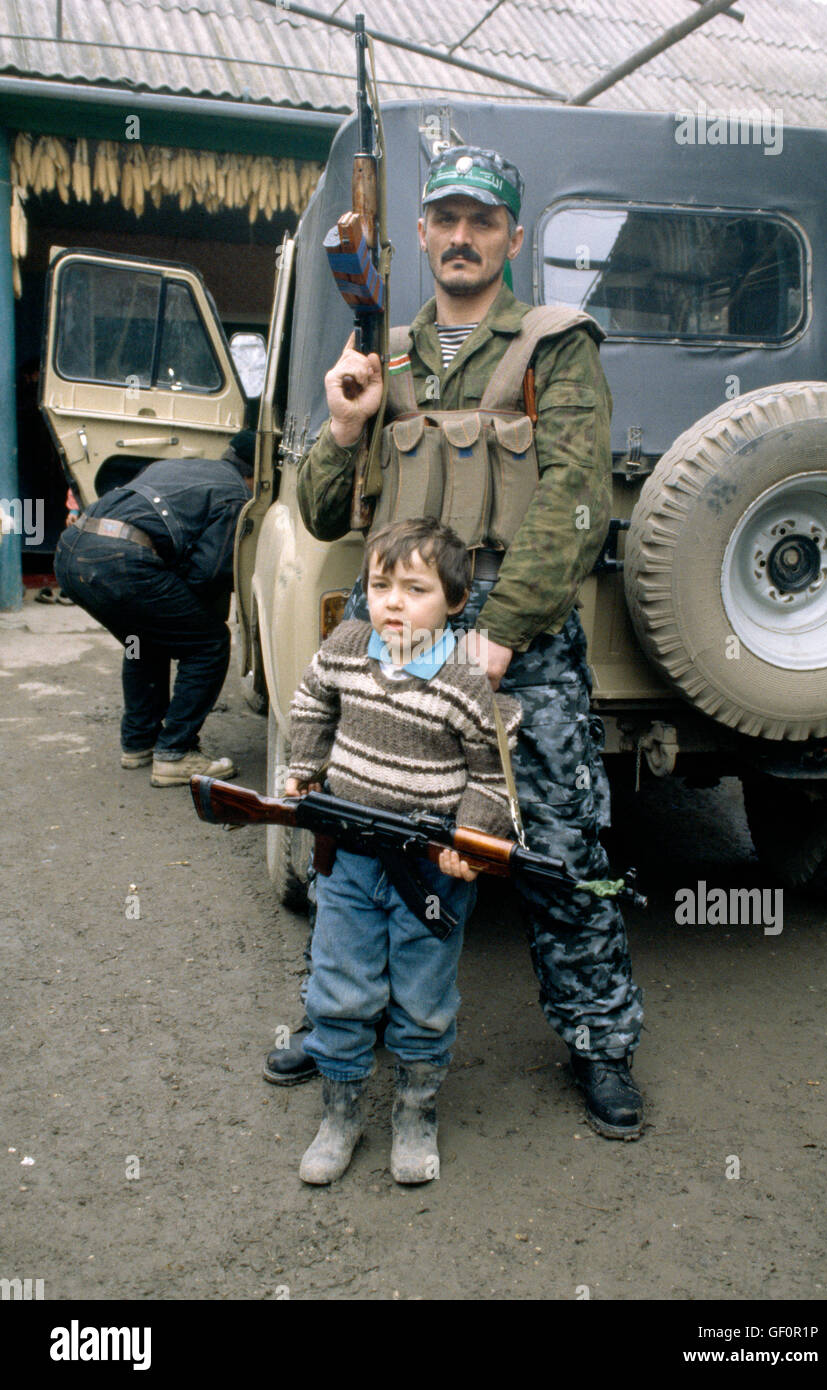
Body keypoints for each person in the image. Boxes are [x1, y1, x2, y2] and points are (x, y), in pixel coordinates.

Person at [265, 145, 646, 1140]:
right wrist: (346, 426)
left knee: (562, 846)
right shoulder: (381, 355)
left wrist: (500, 639)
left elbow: (574, 507)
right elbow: (314, 509)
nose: (464, 237)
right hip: (394, 631)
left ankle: (600, 1042)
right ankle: (337, 1021)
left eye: (484, 221)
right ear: (422, 234)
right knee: (356, 830)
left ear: (513, 238)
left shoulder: (554, 346)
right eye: (447, 219)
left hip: (514, 639)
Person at [287, 517, 521, 1184]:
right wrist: (304, 768)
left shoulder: (465, 681)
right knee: (338, 987)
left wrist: (471, 843)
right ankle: (339, 1114)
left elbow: (489, 774)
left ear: (453, 601)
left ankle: (415, 1113)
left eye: (414, 588)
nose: (392, 601)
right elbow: (311, 701)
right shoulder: (347, 645)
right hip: (351, 859)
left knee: (423, 998)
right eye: (380, 584)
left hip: (429, 875)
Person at [53, 432, 255, 787]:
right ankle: (175, 752)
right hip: (120, 564)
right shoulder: (236, 494)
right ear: (257, 476)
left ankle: (138, 742)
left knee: (140, 640)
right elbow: (207, 574)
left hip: (72, 553)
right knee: (208, 644)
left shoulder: (180, 466)